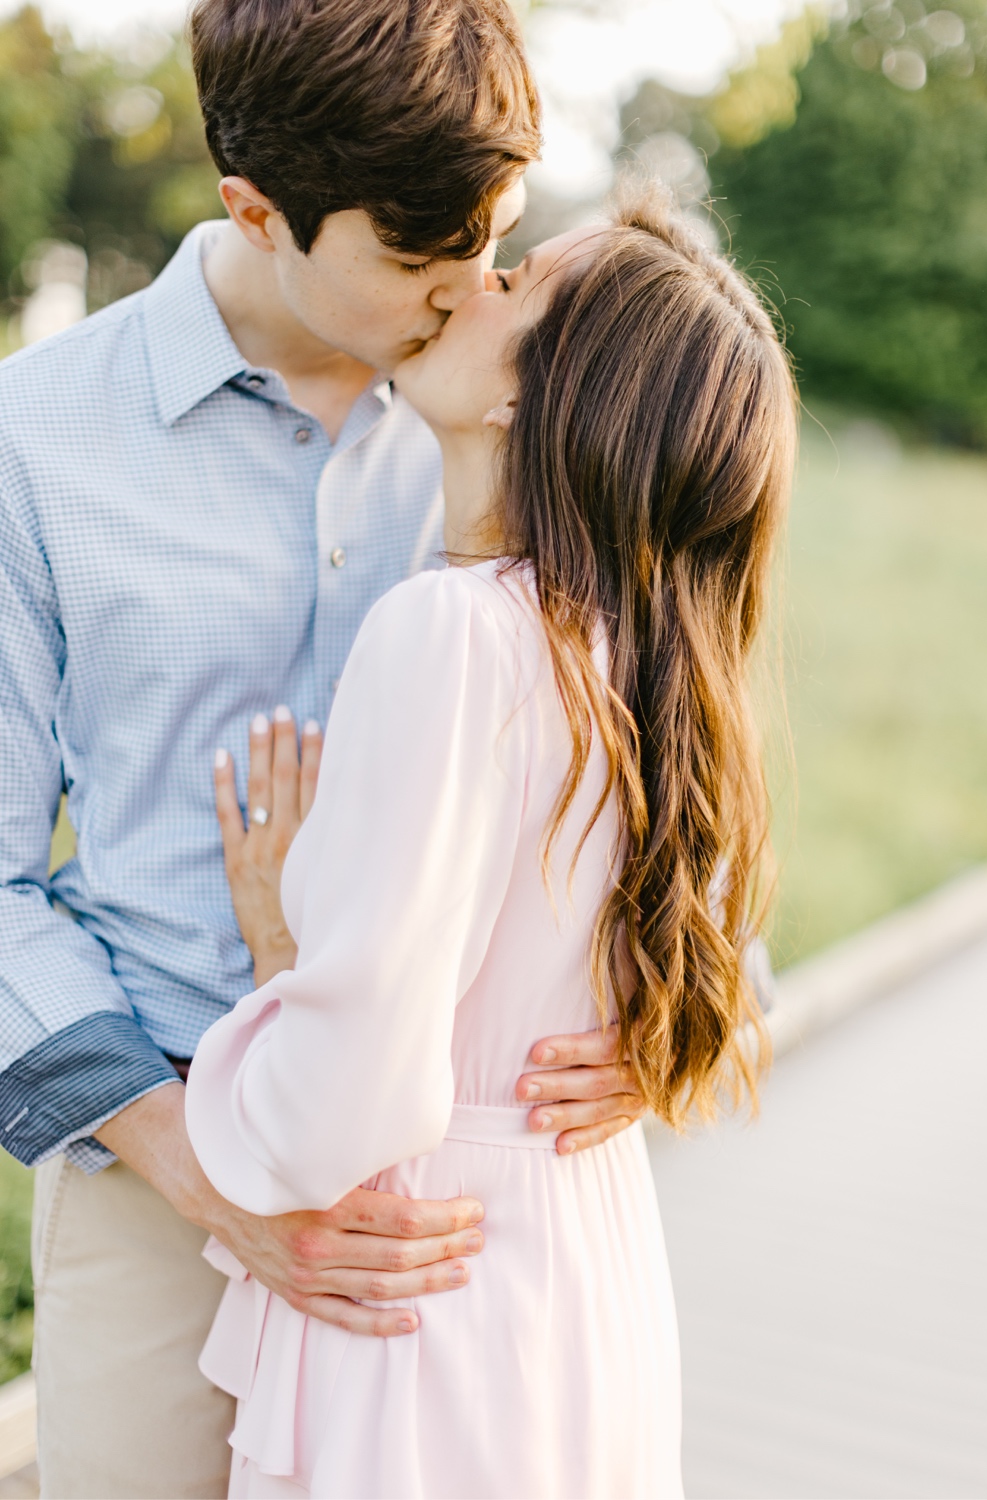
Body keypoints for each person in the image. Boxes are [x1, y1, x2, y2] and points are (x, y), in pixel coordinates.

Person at [0, 4, 644, 1495]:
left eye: (491, 237)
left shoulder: (525, 396)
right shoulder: (34, 440)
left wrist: (679, 996)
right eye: (417, 264)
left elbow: (659, 715)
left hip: (457, 1196)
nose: (469, 288)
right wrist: (215, 1186)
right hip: (157, 1166)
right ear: (254, 210)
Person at [184, 187, 798, 1499]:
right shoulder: (655, 668)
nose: (471, 282)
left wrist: (279, 936)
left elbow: (343, 1103)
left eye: (517, 284)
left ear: (546, 396)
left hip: (426, 1282)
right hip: (586, 1270)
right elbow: (710, 960)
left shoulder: (451, 635)